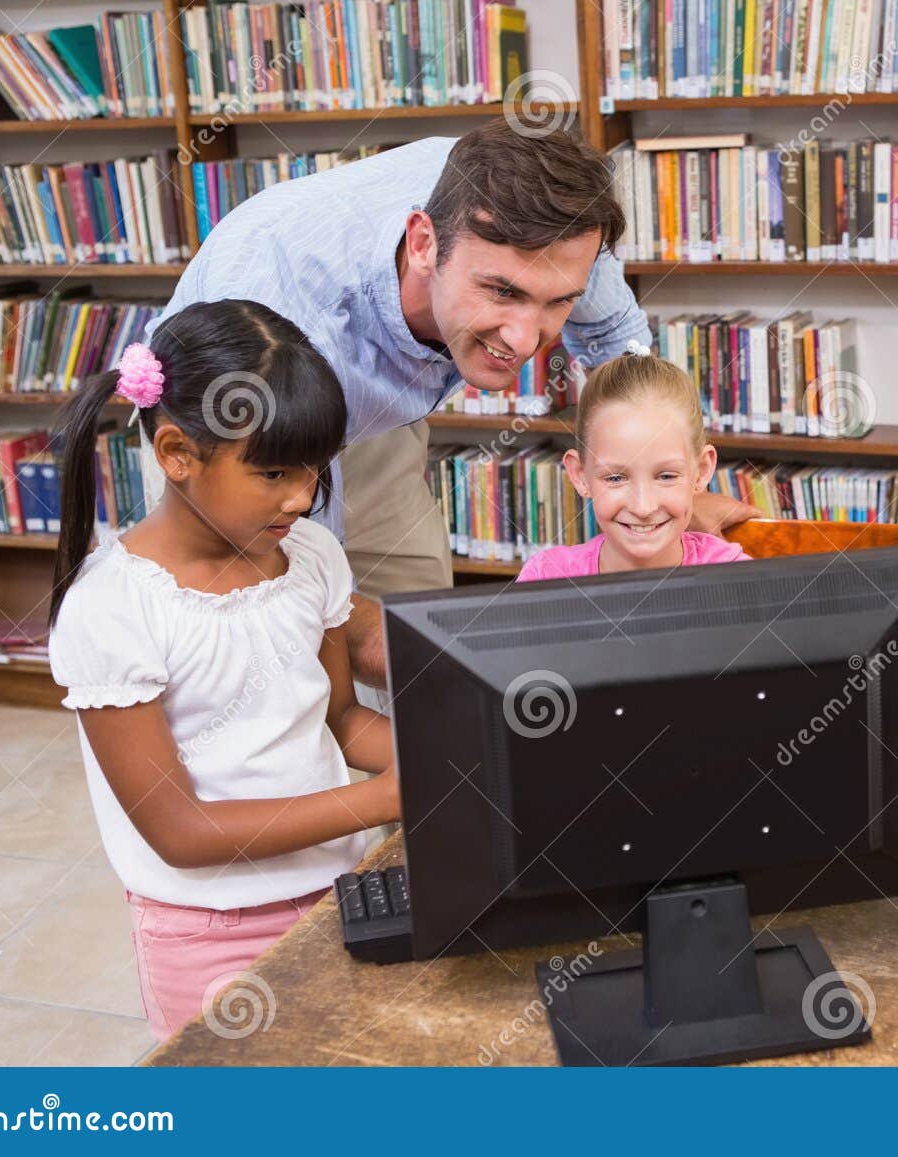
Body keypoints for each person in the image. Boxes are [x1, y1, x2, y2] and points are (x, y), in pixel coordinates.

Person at [152, 120, 757, 688]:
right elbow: (277, 560)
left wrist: (667, 488)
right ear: (423, 243)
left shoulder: (557, 223)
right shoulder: (281, 302)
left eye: (555, 302)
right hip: (256, 433)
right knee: (306, 657)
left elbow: (611, 342)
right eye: (502, 291)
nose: (525, 342)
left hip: (380, 407)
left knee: (422, 631)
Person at [48, 300, 399, 1039]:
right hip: (208, 934)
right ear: (177, 453)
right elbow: (181, 830)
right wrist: (387, 799)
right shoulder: (111, 607)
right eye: (273, 471)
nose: (304, 496)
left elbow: (338, 720)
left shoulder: (309, 558)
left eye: (314, 469)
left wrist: (448, 758)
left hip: (338, 896)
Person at [517, 348, 750, 580]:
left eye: (666, 476)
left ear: (701, 471)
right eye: (615, 478)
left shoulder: (738, 579)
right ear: (580, 475)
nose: (643, 508)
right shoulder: (544, 576)